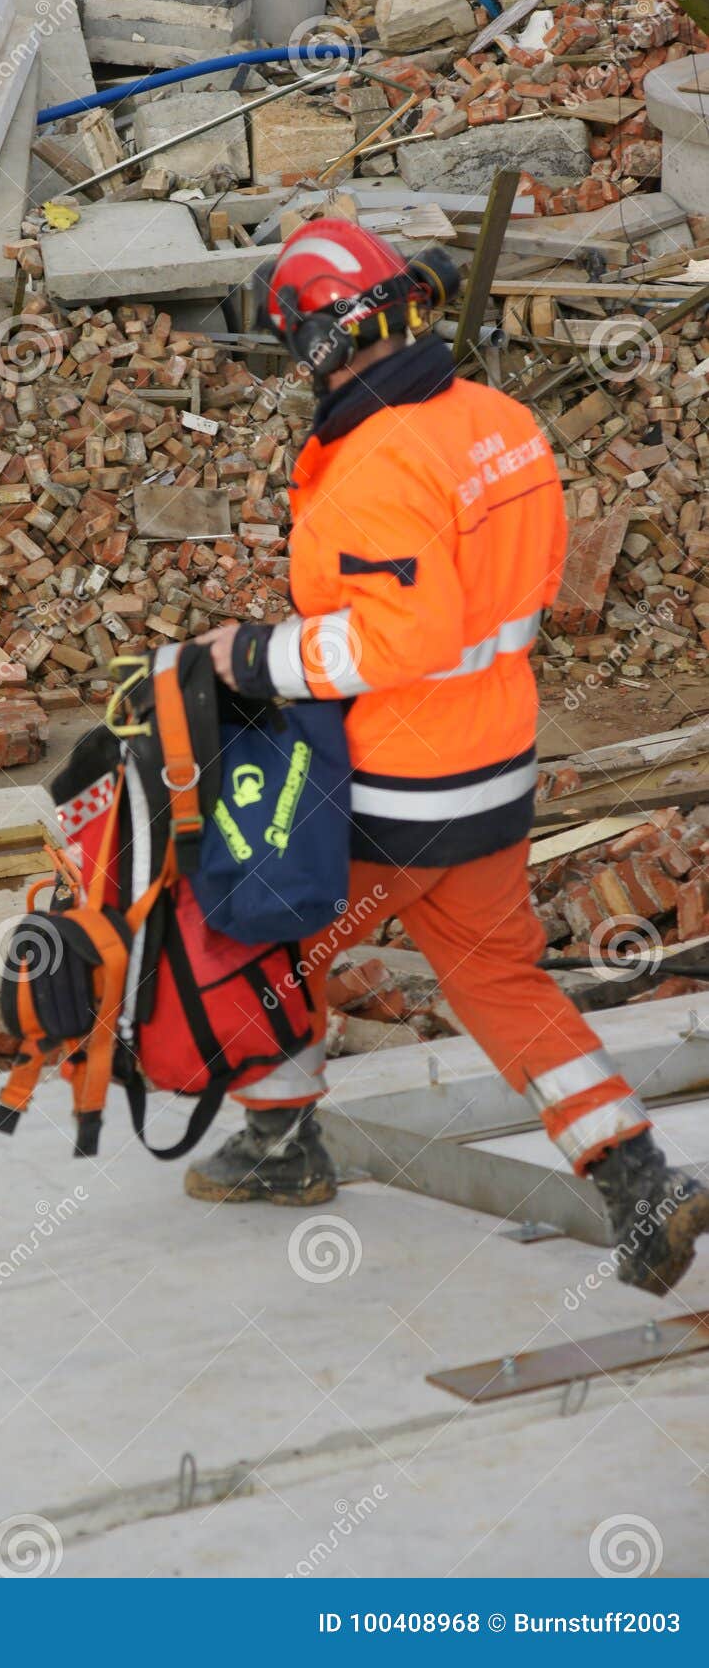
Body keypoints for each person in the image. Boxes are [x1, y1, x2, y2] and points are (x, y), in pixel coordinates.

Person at [189, 217, 709, 1298]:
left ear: (318, 345)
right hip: (491, 769)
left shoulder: (376, 467)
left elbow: (397, 640)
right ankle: (636, 1179)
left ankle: (279, 1152)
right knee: (497, 979)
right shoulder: (498, 421)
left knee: (262, 948)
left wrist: (249, 654)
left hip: (388, 789)